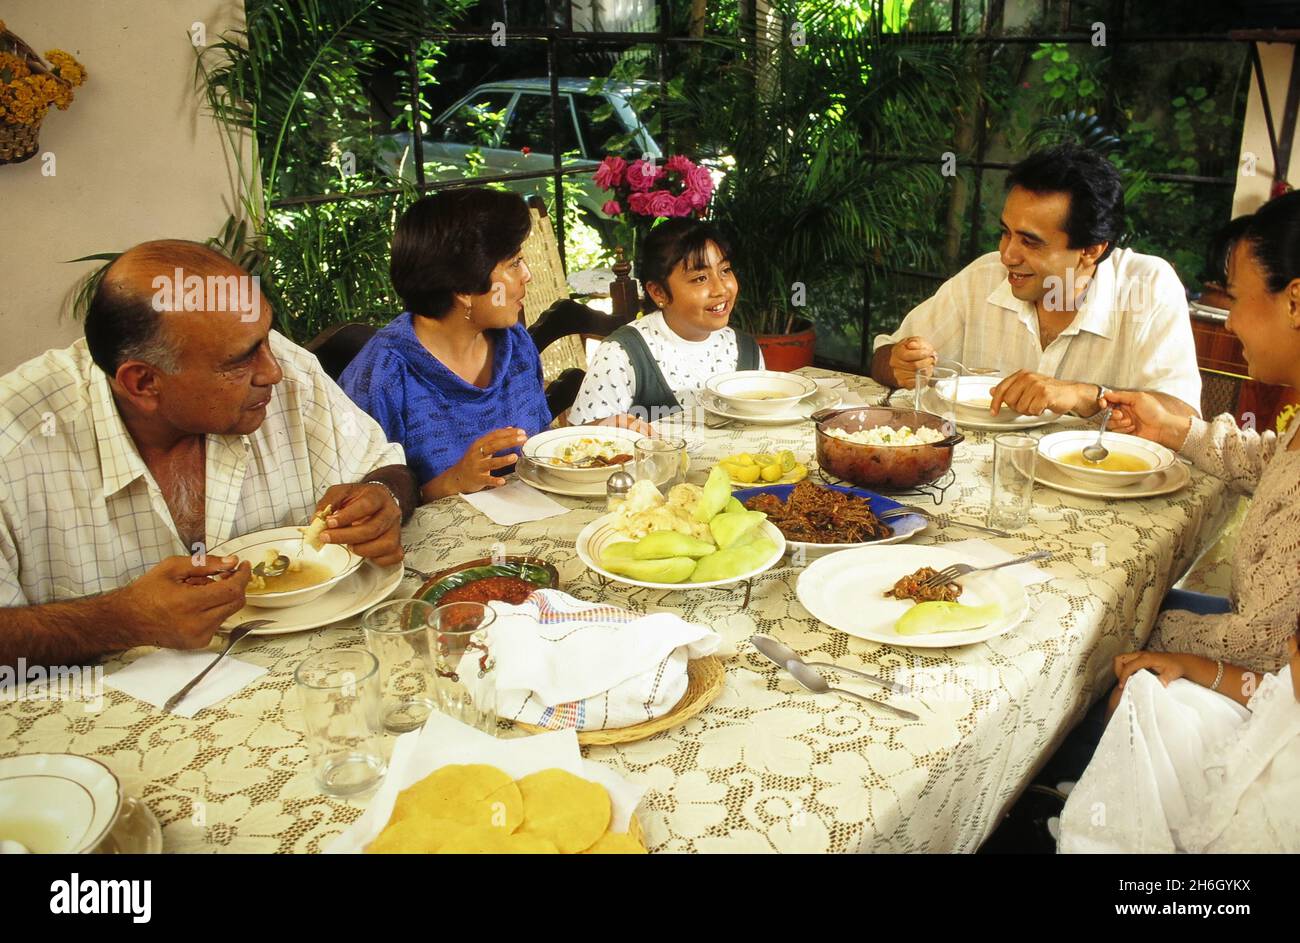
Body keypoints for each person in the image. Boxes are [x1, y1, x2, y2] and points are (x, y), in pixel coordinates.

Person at [0, 240, 417, 668]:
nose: (272, 370)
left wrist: (384, 494)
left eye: (266, 337)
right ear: (143, 383)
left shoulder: (289, 371)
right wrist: (118, 620)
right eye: (239, 361)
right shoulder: (15, 440)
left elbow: (382, 465)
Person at [1102, 189, 1300, 680]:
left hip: (1269, 705)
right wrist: (1171, 428)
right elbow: (1275, 461)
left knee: (1109, 638)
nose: (1227, 320)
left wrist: (1156, 632)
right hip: (1250, 646)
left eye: (1233, 297)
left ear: (1295, 301)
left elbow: (1266, 648)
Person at [871, 145, 1202, 420]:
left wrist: (1081, 394)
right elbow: (883, 357)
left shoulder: (1146, 287)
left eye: (1030, 242)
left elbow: (1183, 419)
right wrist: (900, 362)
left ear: (1090, 250)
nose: (1007, 255)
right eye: (1005, 233)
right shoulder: (982, 278)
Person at [340, 189, 554, 502]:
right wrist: (452, 481)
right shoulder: (382, 377)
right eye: (514, 263)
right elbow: (360, 509)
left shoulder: (516, 345)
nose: (528, 275)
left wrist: (594, 436)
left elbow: (541, 452)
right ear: (465, 288)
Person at [1057, 626, 1300, 852]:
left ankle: (1111, 821)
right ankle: (1108, 801)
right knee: (1144, 692)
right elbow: (1261, 690)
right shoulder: (1292, 689)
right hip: (1241, 769)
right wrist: (1182, 664)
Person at [565, 218, 762, 426]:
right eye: (700, 278)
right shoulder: (623, 354)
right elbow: (580, 442)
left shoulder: (746, 349)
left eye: (725, 270)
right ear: (658, 292)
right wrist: (610, 428)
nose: (721, 289)